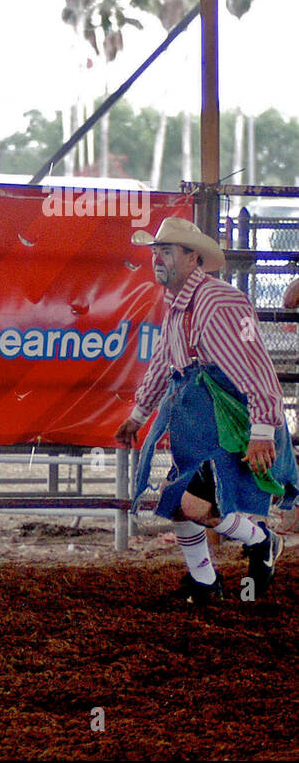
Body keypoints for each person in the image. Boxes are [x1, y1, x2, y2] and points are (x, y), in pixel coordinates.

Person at [117, 217, 295, 603]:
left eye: (166, 252)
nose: (157, 259)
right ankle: (204, 582)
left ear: (193, 257)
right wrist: (138, 414)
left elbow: (254, 364)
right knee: (177, 500)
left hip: (227, 420)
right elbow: (166, 361)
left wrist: (263, 429)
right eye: (155, 252)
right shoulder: (179, 305)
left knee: (188, 502)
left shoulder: (219, 300)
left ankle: (262, 540)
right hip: (196, 418)